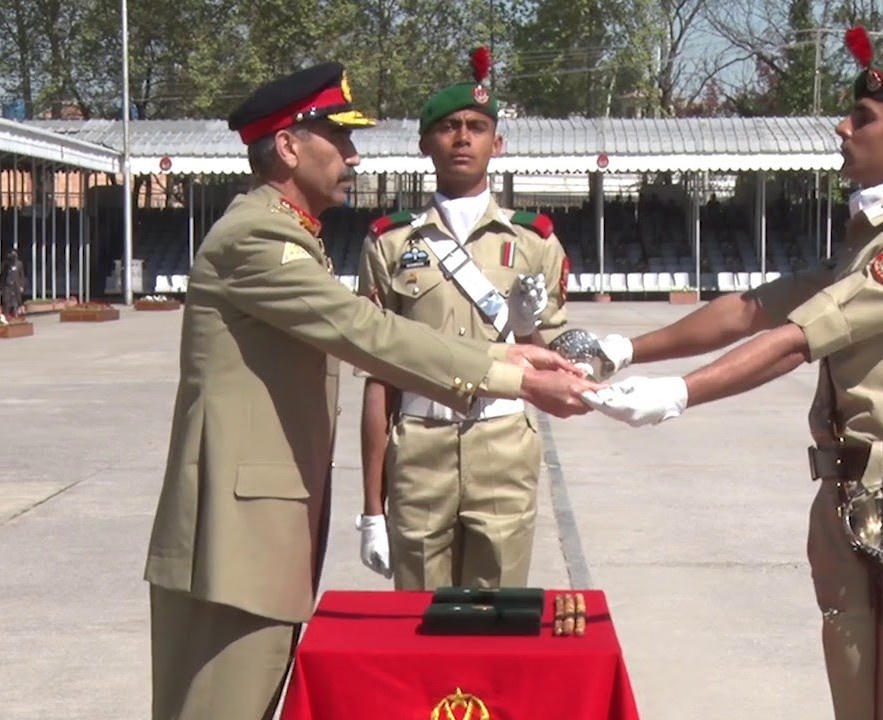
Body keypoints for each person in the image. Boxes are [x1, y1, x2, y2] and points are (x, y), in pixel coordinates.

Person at [143, 61, 596, 720]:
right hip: (232, 548)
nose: (353, 155)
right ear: (289, 146)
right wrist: (510, 374)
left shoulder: (287, 233)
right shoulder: (258, 238)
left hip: (259, 543)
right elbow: (368, 333)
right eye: (339, 137)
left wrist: (506, 352)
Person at [584, 27, 883, 720]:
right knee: (859, 702)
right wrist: (625, 350)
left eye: (862, 118)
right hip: (853, 490)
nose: (842, 127)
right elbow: (752, 309)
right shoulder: (870, 240)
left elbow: (797, 340)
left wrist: (680, 394)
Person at [354, 48, 570, 590]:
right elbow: (378, 376)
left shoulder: (534, 241)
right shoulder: (389, 242)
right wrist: (372, 509)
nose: (462, 138)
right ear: (425, 144)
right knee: (420, 617)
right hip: (419, 447)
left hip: (503, 445)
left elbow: (556, 365)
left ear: (497, 144)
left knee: (498, 615)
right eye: (448, 127)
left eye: (477, 127)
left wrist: (527, 325)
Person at [0, 249, 25, 317]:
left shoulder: (19, 264)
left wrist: (21, 285)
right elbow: (2, 275)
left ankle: (16, 315)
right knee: (6, 301)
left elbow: (21, 275)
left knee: (16, 301)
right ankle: (6, 315)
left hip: (16, 285)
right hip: (7, 285)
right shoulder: (6, 265)